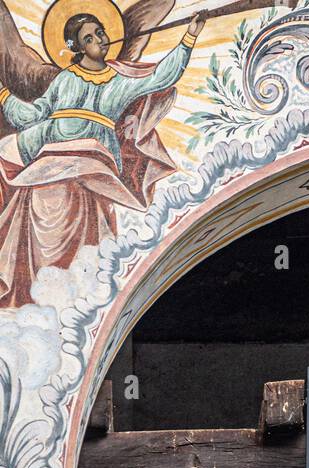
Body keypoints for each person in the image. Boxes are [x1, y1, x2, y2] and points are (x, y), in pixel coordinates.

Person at [0, 10, 205, 308]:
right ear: (77, 47)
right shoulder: (66, 79)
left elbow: (161, 77)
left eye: (100, 33)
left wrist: (189, 37)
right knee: (5, 157)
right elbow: (33, 115)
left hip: (93, 151)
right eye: (90, 38)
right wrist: (5, 95)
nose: (99, 40)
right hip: (47, 142)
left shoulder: (120, 80)